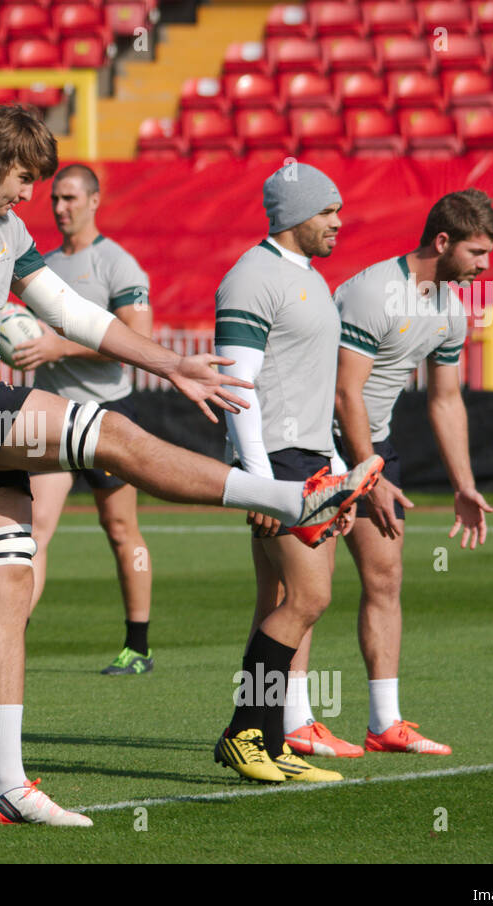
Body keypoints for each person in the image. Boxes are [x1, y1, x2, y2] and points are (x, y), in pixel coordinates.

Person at [0, 106, 383, 825]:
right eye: (26, 179)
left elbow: (71, 312)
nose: (31, 196)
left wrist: (170, 364)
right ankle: (287, 500)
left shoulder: (6, 229)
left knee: (8, 583)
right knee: (111, 432)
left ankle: (2, 784)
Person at [287, 189, 493, 758]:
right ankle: (296, 721)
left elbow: (445, 399)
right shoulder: (374, 292)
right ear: (442, 241)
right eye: (478, 253)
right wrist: (367, 474)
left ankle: (385, 724)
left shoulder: (452, 306)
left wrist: (464, 483)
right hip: (314, 445)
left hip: (371, 447)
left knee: (385, 580)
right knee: (310, 590)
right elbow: (342, 392)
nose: (485, 266)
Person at [211, 162, 361, 785]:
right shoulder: (252, 277)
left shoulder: (310, 278)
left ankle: (267, 741)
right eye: (328, 211)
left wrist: (339, 468)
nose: (338, 221)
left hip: (308, 462)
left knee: (277, 600)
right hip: (278, 463)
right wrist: (260, 479)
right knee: (310, 597)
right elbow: (236, 383)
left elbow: (309, 387)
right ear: (296, 213)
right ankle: (245, 734)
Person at [10, 163, 157, 676]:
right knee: (35, 529)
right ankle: (11, 636)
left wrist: (54, 347)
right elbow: (28, 335)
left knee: (119, 528)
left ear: (95, 201)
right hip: (50, 414)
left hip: (107, 414)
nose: (60, 207)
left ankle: (137, 646)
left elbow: (137, 339)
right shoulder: (42, 266)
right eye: (55, 199)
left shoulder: (119, 265)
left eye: (71, 197)